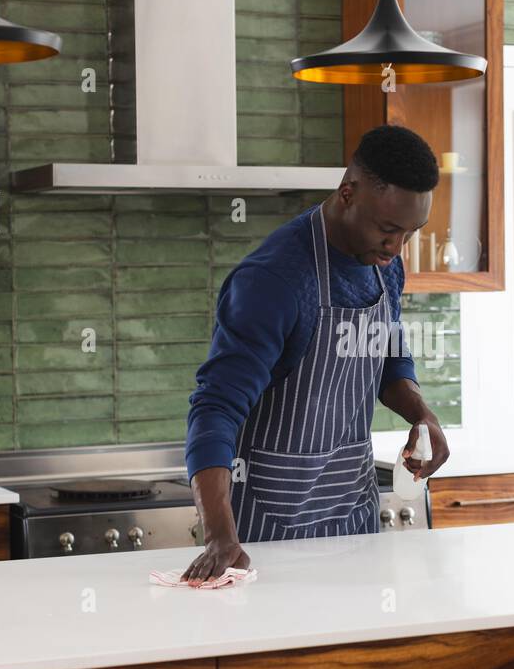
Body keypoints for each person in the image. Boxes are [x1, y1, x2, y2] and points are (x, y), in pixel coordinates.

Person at [180, 125, 450, 583]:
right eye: (388, 230)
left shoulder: (384, 265)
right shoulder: (274, 281)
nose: (397, 249)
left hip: (354, 523)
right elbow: (215, 408)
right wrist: (219, 535)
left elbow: (390, 355)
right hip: (268, 537)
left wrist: (421, 414)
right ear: (348, 193)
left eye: (410, 233)